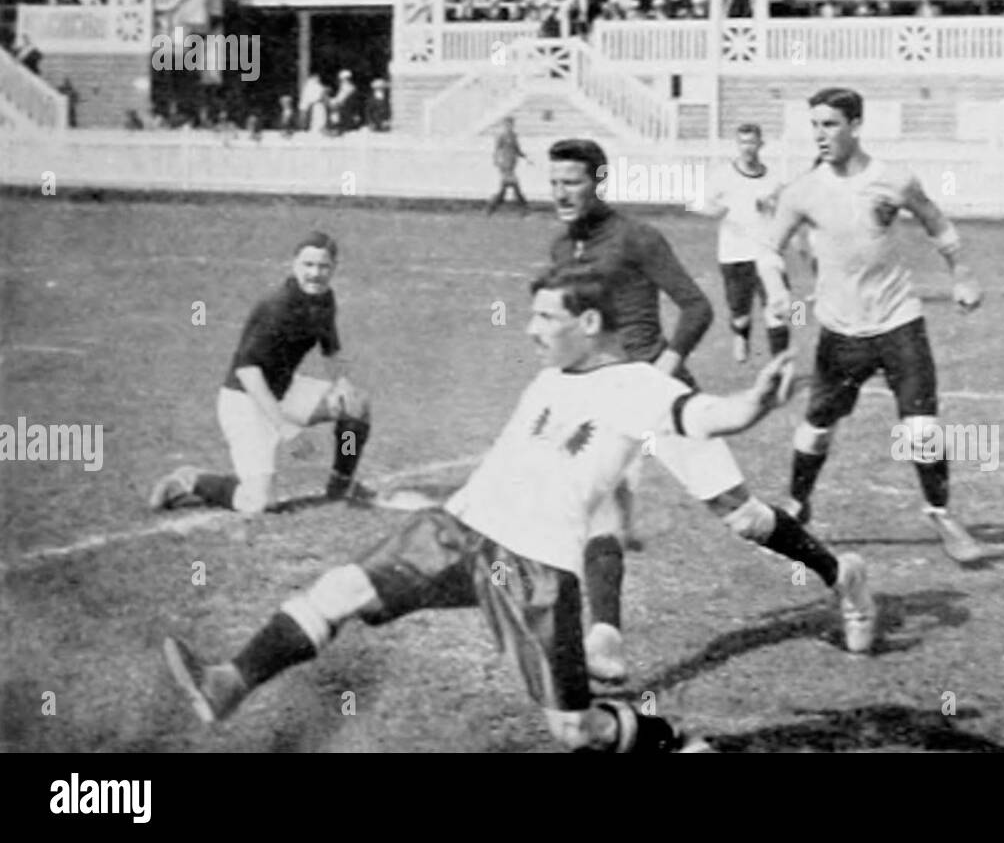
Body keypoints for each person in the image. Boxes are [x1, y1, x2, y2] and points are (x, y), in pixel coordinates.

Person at [162, 265, 873, 751]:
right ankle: (229, 681)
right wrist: (431, 505)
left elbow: (708, 416)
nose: (530, 328)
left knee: (573, 731)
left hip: (532, 573)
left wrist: (754, 403)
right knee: (339, 589)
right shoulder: (545, 380)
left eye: (545, 316)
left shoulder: (635, 387)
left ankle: (667, 740)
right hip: (456, 534)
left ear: (587, 320)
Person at [755, 88, 1004, 564]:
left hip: (898, 323)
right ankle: (798, 499)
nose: (820, 135)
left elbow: (936, 220)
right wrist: (776, 291)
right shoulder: (803, 191)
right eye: (815, 126)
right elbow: (768, 249)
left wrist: (962, 273)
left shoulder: (894, 179)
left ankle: (942, 514)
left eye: (830, 125)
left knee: (922, 429)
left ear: (855, 125)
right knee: (818, 426)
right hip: (840, 332)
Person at [547, 139, 712, 681]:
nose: (561, 192)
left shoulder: (638, 236)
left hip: (661, 388)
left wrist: (660, 374)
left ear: (599, 181)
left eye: (572, 181)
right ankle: (607, 639)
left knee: (747, 517)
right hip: (605, 399)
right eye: (554, 182)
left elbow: (696, 306)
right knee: (600, 508)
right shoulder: (559, 249)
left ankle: (839, 575)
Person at [148, 232, 375, 514]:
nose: (315, 274)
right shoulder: (277, 307)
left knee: (357, 405)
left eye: (323, 266)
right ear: (294, 265)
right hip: (246, 400)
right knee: (258, 504)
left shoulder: (324, 298)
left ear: (334, 267)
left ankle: (341, 484)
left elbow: (331, 350)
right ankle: (192, 479)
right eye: (308, 265)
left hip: (284, 388)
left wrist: (342, 383)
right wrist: (286, 427)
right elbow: (248, 372)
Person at [690, 123, 791, 364]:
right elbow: (693, 203)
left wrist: (773, 205)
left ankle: (781, 363)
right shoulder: (723, 175)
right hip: (734, 254)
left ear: (761, 145)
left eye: (752, 142)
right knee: (740, 314)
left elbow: (787, 210)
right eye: (743, 142)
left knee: (784, 308)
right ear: (737, 145)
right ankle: (741, 336)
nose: (747, 148)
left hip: (767, 254)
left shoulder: (774, 178)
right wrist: (713, 210)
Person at [486, 116, 529, 215]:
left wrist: (525, 157)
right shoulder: (501, 136)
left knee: (504, 191)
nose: (509, 126)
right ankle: (524, 208)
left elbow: (517, 149)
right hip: (505, 165)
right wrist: (496, 161)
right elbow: (496, 150)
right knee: (515, 187)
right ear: (504, 125)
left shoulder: (514, 136)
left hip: (512, 164)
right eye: (507, 124)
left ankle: (491, 208)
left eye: (511, 124)